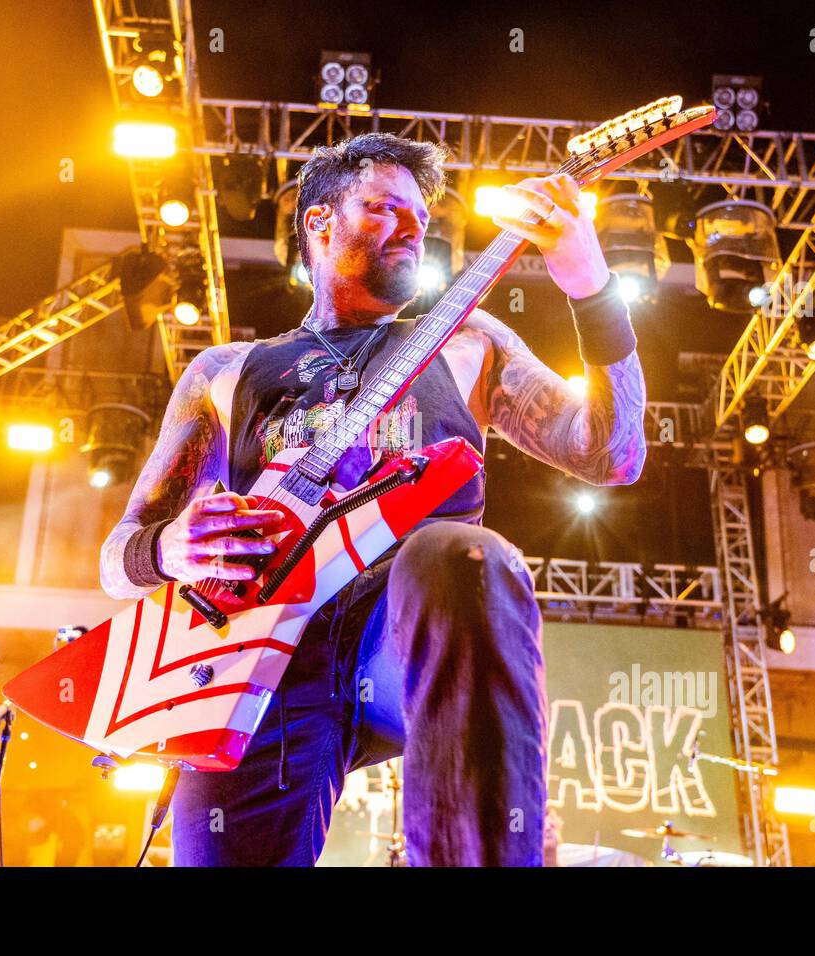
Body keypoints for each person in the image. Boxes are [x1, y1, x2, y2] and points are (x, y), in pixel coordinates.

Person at [99, 133, 647, 865]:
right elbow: (115, 557)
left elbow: (613, 452)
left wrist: (588, 282)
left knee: (463, 556)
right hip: (258, 668)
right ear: (320, 222)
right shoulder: (224, 372)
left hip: (400, 636)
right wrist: (168, 548)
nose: (415, 227)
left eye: (421, 216)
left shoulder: (463, 340)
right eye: (386, 208)